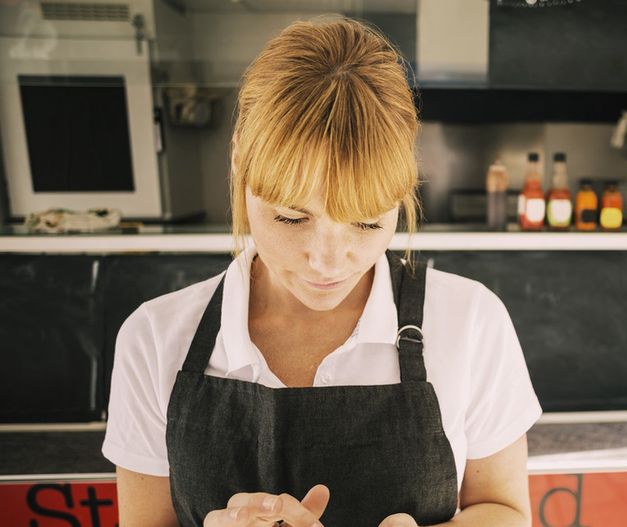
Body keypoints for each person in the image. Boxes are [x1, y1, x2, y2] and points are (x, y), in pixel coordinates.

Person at [101, 16, 542, 527]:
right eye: (291, 217)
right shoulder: (153, 338)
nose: (328, 261)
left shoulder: (471, 320)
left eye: (367, 221)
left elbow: (504, 511)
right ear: (240, 158)